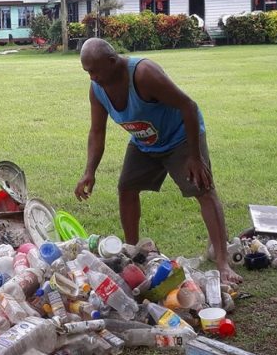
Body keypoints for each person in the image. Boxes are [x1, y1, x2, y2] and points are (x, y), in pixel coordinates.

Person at [74, 38, 243, 284]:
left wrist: (195, 157)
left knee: (203, 189)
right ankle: (131, 251)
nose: (92, 78)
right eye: (87, 72)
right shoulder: (98, 89)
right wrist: (89, 171)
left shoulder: (143, 74)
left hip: (180, 137)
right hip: (145, 142)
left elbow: (188, 106)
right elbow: (97, 131)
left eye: (95, 71)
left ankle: (222, 263)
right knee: (127, 188)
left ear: (112, 61)